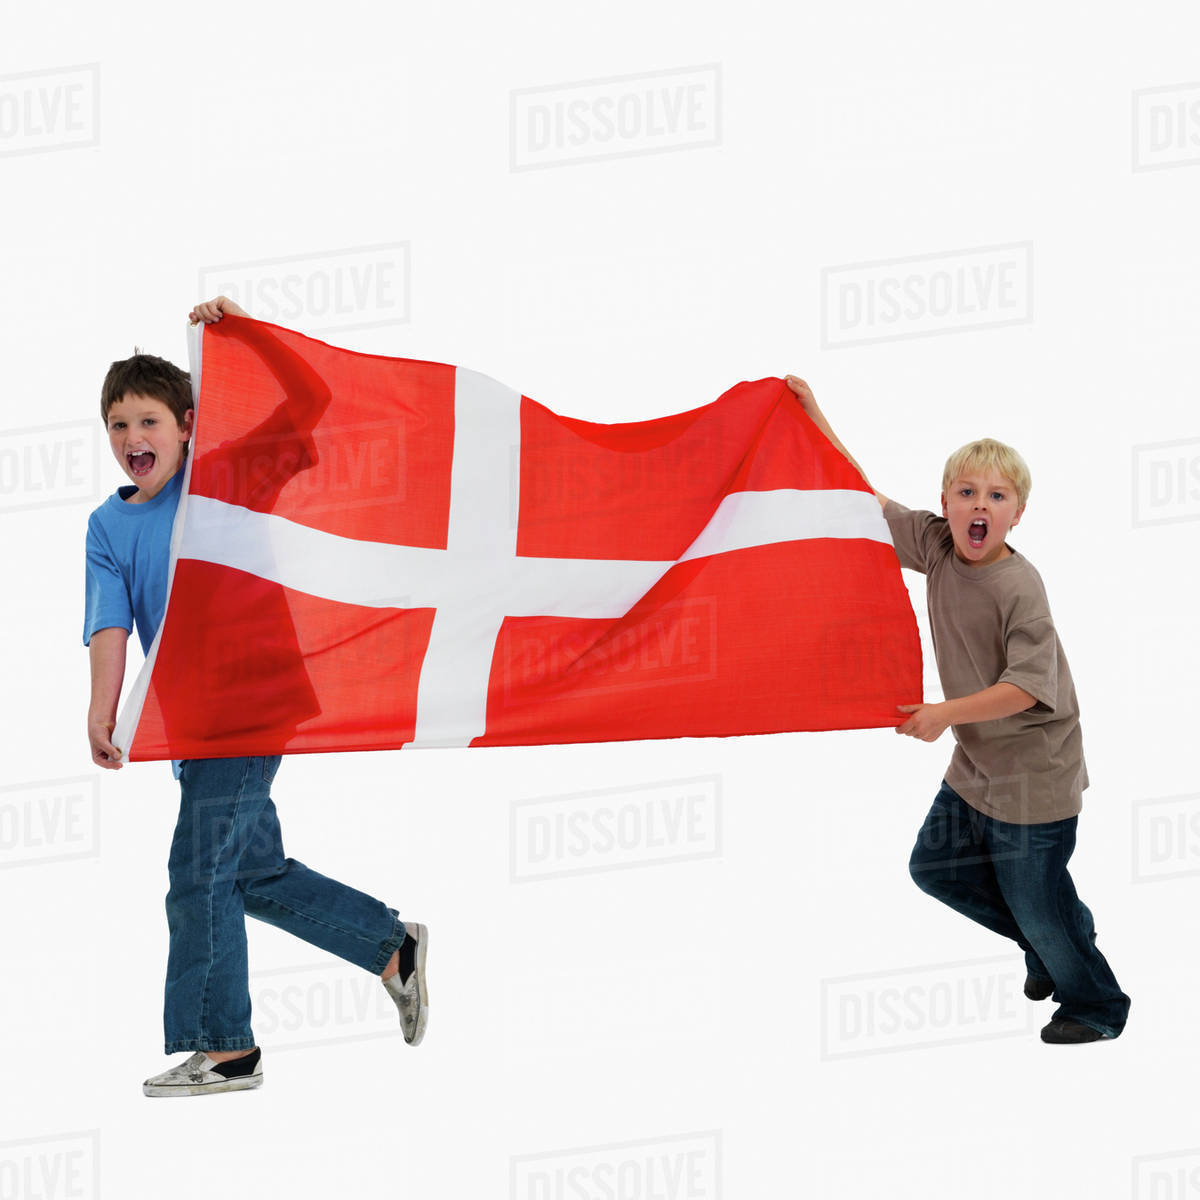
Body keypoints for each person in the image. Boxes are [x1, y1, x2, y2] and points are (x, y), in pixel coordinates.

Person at [84, 295, 429, 1096]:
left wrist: (250, 335)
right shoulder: (107, 525)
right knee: (248, 874)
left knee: (196, 871)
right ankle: (392, 946)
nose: (133, 439)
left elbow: (313, 401)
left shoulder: (229, 478)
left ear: (187, 426)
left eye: (149, 422)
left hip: (256, 696)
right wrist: (103, 708)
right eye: (118, 425)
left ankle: (227, 1049)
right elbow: (108, 625)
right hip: (191, 716)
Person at [785, 374, 1129, 1044]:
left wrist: (944, 712)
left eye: (996, 496)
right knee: (935, 869)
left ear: (1016, 513)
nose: (980, 505)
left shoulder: (1018, 585)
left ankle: (1096, 1003)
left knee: (1037, 898)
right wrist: (812, 413)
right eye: (966, 493)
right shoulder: (938, 544)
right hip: (978, 764)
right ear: (945, 503)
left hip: (1034, 773)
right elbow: (862, 501)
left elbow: (1027, 688)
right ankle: (1059, 937)